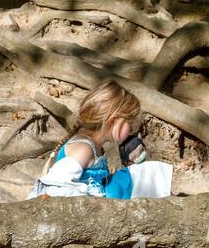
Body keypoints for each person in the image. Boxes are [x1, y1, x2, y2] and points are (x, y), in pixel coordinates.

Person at [27, 80, 173, 200]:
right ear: (113, 121)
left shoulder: (97, 146)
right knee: (135, 176)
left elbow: (92, 180)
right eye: (129, 122)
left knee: (136, 174)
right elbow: (54, 189)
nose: (132, 129)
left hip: (96, 201)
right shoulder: (83, 149)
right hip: (84, 210)